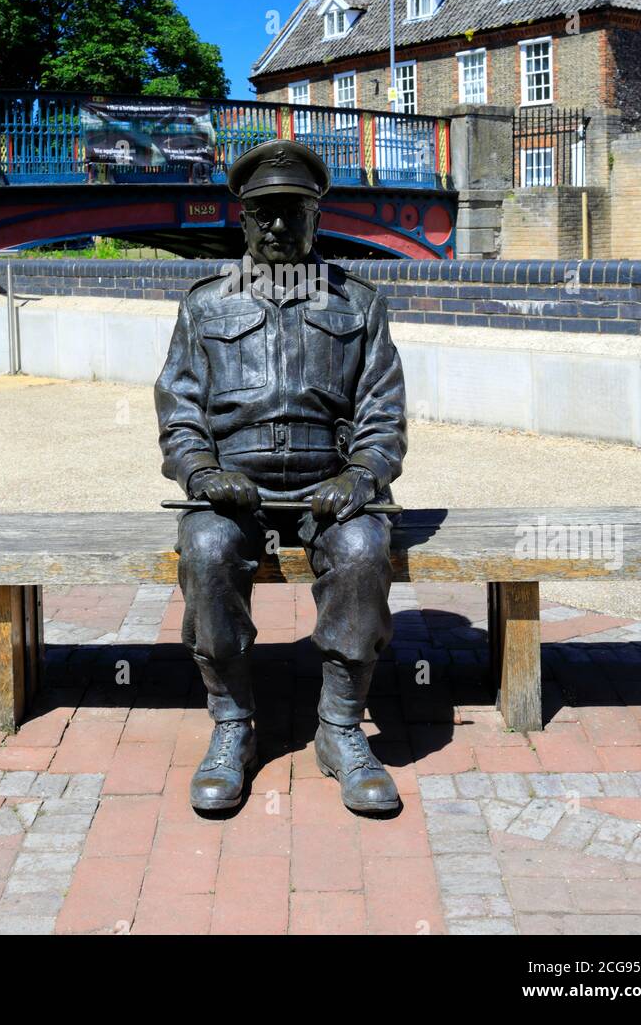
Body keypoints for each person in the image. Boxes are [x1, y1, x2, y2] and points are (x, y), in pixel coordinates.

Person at [154, 139, 408, 814]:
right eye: (262, 212)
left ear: (316, 217)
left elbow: (383, 412)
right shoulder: (205, 304)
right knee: (206, 549)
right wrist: (202, 470)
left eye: (291, 211)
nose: (275, 225)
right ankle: (232, 725)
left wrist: (362, 474)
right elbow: (178, 412)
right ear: (241, 220)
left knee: (362, 551)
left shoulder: (358, 301)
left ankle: (341, 728)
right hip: (233, 485)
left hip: (330, 484)